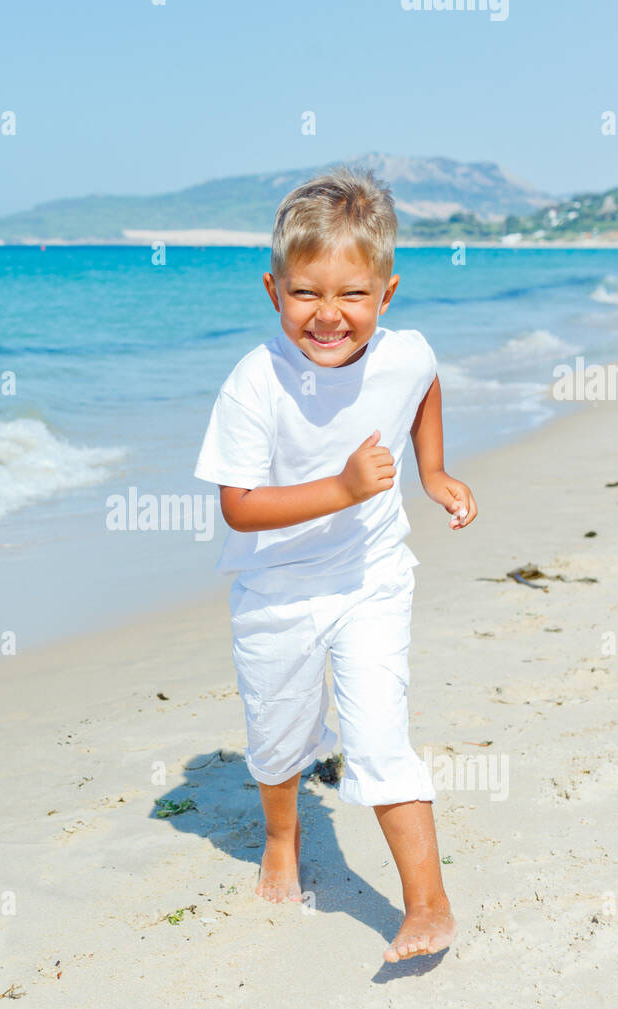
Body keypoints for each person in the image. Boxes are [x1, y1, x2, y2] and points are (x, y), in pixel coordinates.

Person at [193, 166, 477, 962]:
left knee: (381, 734)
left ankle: (427, 906)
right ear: (272, 289)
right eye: (305, 293)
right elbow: (240, 505)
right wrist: (342, 486)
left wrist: (432, 471)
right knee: (280, 736)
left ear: (386, 294)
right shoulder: (256, 383)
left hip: (371, 576)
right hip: (275, 588)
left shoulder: (404, 351)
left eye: (352, 295)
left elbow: (424, 383)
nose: (328, 315)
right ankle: (281, 839)